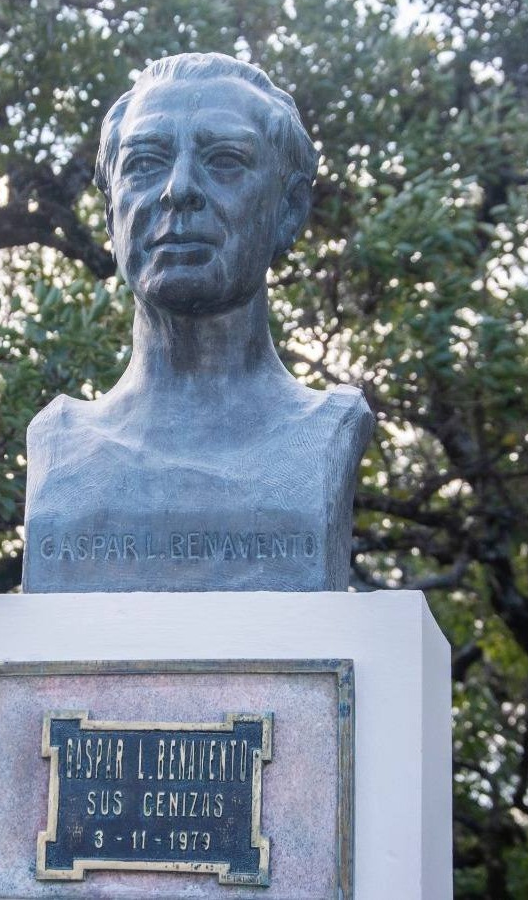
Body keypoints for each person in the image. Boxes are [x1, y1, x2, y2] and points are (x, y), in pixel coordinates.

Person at [22, 53, 373, 592]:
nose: (178, 189)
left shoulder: (325, 434)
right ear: (110, 209)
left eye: (225, 160)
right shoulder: (59, 446)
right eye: (144, 163)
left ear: (289, 210)